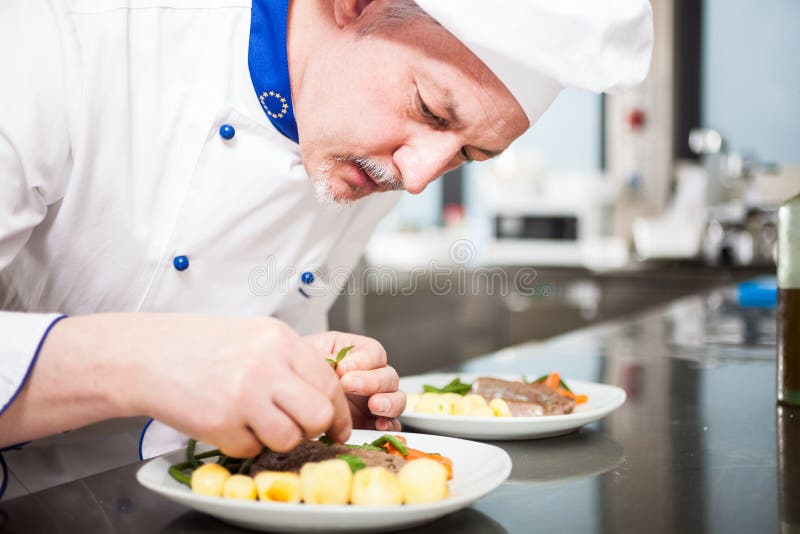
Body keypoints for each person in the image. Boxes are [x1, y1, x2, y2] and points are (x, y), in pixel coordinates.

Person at [0, 0, 652, 485]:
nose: (420, 176)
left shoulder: (362, 152)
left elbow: (236, 375)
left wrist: (308, 400)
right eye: (429, 109)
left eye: (467, 155)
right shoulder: (70, 31)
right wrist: (146, 364)